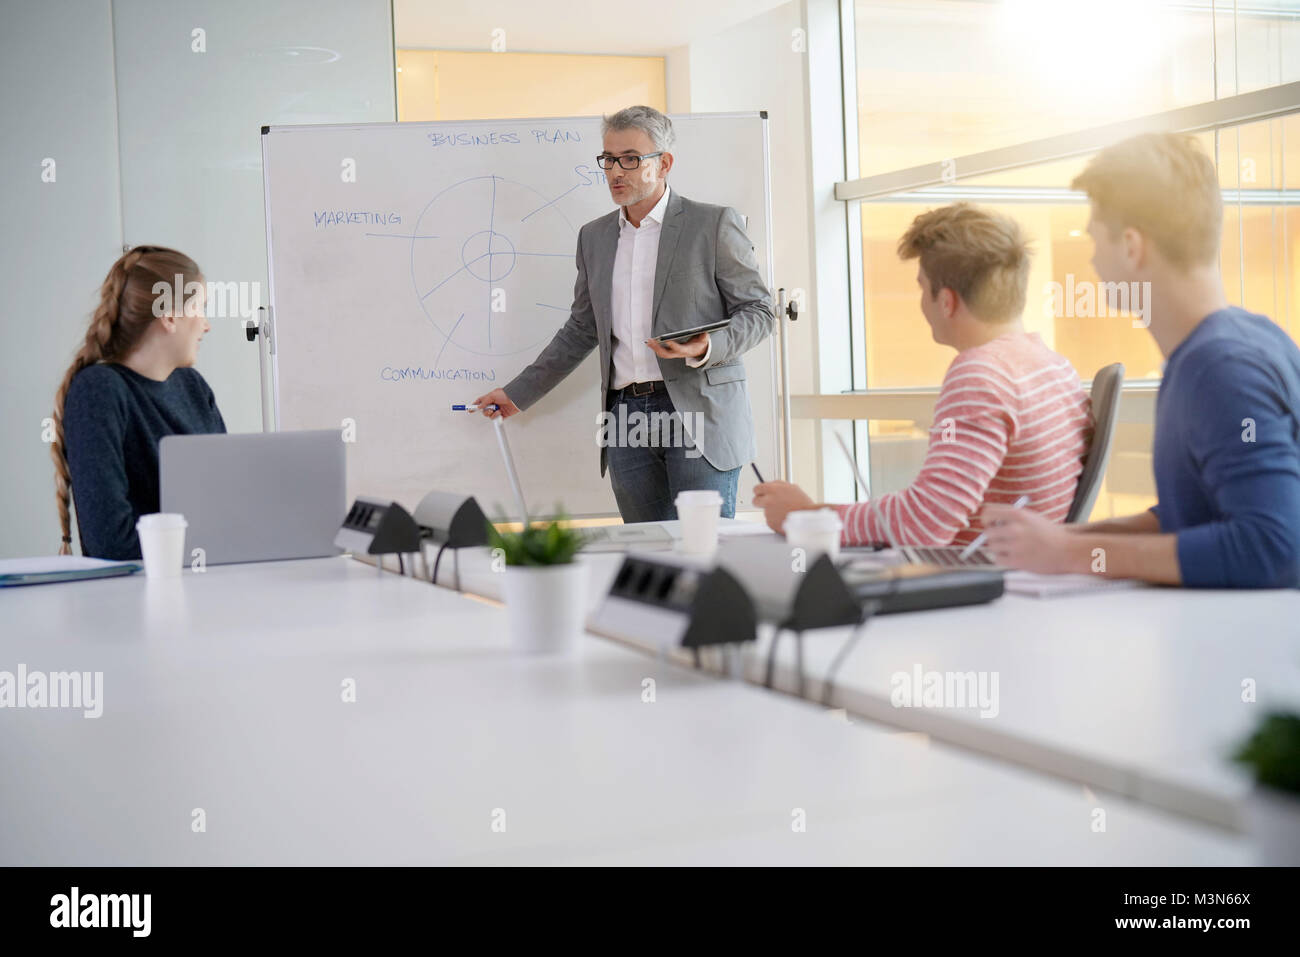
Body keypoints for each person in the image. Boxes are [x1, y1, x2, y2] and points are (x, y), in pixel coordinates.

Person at [981, 133, 1300, 588]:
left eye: (1095, 240)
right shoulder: (1235, 344)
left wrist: (1072, 552)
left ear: (1132, 247)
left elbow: (1273, 546)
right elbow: (1196, 513)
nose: (1091, 260)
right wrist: (1063, 539)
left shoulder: (1222, 368)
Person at [471, 105, 774, 521]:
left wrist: (709, 344)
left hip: (699, 410)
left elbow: (759, 310)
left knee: (703, 551)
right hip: (625, 416)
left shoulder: (713, 224)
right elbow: (582, 328)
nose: (616, 171)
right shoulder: (594, 237)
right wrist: (518, 393)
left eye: (631, 159)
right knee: (647, 555)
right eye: (609, 159)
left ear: (664, 163)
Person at [754, 203, 1092, 548]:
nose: (921, 303)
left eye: (921, 287)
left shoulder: (982, 374)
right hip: (1018, 575)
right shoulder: (1056, 367)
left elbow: (923, 524)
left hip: (971, 583)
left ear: (946, 302)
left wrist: (806, 516)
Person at [51, 246, 225, 560]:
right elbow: (109, 543)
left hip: (207, 580)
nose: (206, 324)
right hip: (134, 597)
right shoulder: (99, 392)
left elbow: (227, 502)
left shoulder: (193, 386)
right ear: (170, 316)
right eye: (200, 309)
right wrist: (212, 542)